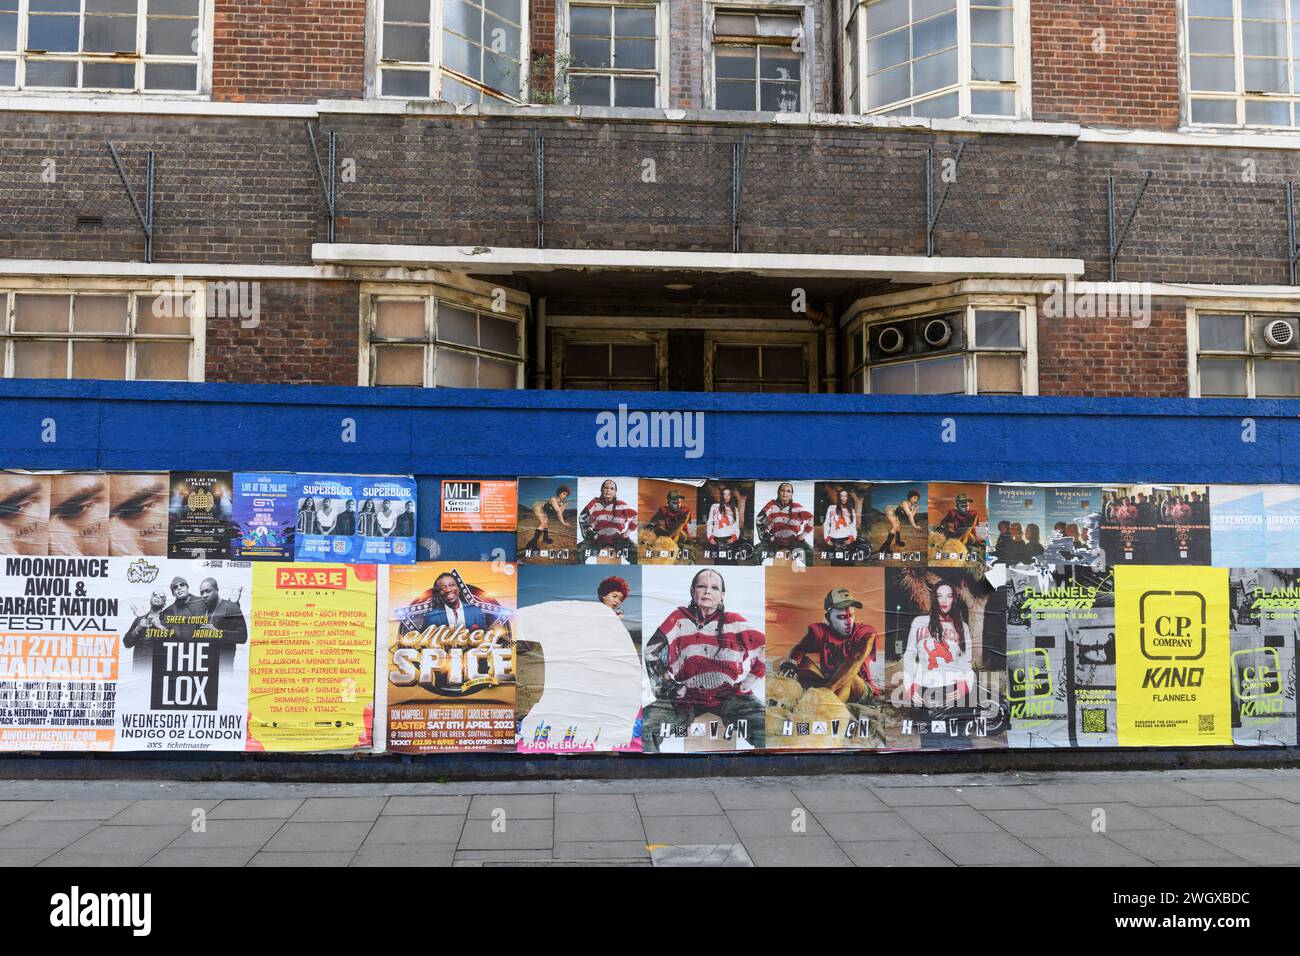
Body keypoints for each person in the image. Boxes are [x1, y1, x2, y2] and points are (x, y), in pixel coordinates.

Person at [642, 569, 765, 750]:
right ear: (693, 591)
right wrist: (669, 687)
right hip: (687, 697)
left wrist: (748, 682)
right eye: (702, 586)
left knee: (767, 728)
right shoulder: (679, 618)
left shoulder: (734, 621)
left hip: (728, 696)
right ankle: (650, 771)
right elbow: (651, 651)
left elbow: (764, 647)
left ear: (722, 596)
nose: (708, 591)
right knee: (643, 727)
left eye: (714, 588)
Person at [778, 588, 881, 704]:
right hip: (830, 685)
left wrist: (823, 696)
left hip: (860, 690)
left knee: (849, 677)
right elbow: (800, 648)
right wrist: (791, 663)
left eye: (851, 615)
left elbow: (854, 662)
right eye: (841, 617)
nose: (848, 622)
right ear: (828, 618)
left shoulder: (865, 633)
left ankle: (824, 708)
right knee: (801, 663)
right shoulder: (820, 632)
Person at [902, 579, 976, 707]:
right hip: (924, 687)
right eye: (939, 596)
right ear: (934, 599)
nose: (944, 600)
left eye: (949, 596)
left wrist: (966, 685)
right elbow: (909, 658)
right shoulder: (919, 622)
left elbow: (966, 662)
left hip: (953, 689)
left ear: (954, 599)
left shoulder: (962, 626)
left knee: (954, 726)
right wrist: (909, 686)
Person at [579, 480, 637, 558]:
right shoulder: (595, 503)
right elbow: (583, 517)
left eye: (612, 488)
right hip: (598, 538)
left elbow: (635, 516)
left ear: (615, 492)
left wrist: (627, 533)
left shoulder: (621, 505)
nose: (608, 490)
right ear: (601, 490)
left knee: (637, 555)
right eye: (606, 487)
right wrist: (589, 533)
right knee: (578, 553)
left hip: (618, 538)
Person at [756, 482, 812, 558]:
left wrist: (802, 535)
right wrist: (767, 534)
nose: (785, 493)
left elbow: (811, 519)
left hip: (794, 541)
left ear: (792, 494)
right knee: (757, 553)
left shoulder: (797, 507)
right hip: (775, 541)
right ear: (778, 492)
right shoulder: (772, 505)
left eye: (788, 491)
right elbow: (759, 519)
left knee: (810, 553)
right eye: (782, 490)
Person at [524, 485, 571, 551]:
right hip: (538, 505)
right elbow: (558, 512)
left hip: (543, 510)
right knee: (543, 523)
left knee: (547, 522)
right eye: (564, 494)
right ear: (559, 493)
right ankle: (533, 545)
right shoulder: (553, 499)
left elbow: (560, 512)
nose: (565, 496)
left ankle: (545, 538)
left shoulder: (560, 503)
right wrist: (563, 523)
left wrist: (564, 506)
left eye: (566, 495)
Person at [160, 576, 208, 641]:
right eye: (175, 587)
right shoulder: (168, 611)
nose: (179, 588)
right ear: (173, 593)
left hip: (202, 643)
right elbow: (165, 633)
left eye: (182, 585)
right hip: (179, 646)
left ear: (187, 587)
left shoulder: (203, 602)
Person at [706, 485, 741, 558]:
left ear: (731, 496)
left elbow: (736, 525)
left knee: (731, 563)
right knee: (718, 562)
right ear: (722, 495)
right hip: (716, 539)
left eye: (728, 494)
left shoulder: (734, 509)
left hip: (729, 539)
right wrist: (710, 536)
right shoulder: (714, 506)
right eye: (724, 494)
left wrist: (735, 536)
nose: (726, 496)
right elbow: (710, 522)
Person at [883, 489, 922, 553]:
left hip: (895, 513)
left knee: (898, 525)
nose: (915, 500)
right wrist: (914, 526)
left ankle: (898, 541)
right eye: (914, 498)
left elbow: (911, 515)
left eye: (917, 499)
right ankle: (885, 547)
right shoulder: (905, 503)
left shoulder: (911, 507)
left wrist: (915, 509)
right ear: (910, 497)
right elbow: (909, 515)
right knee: (895, 526)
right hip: (890, 509)